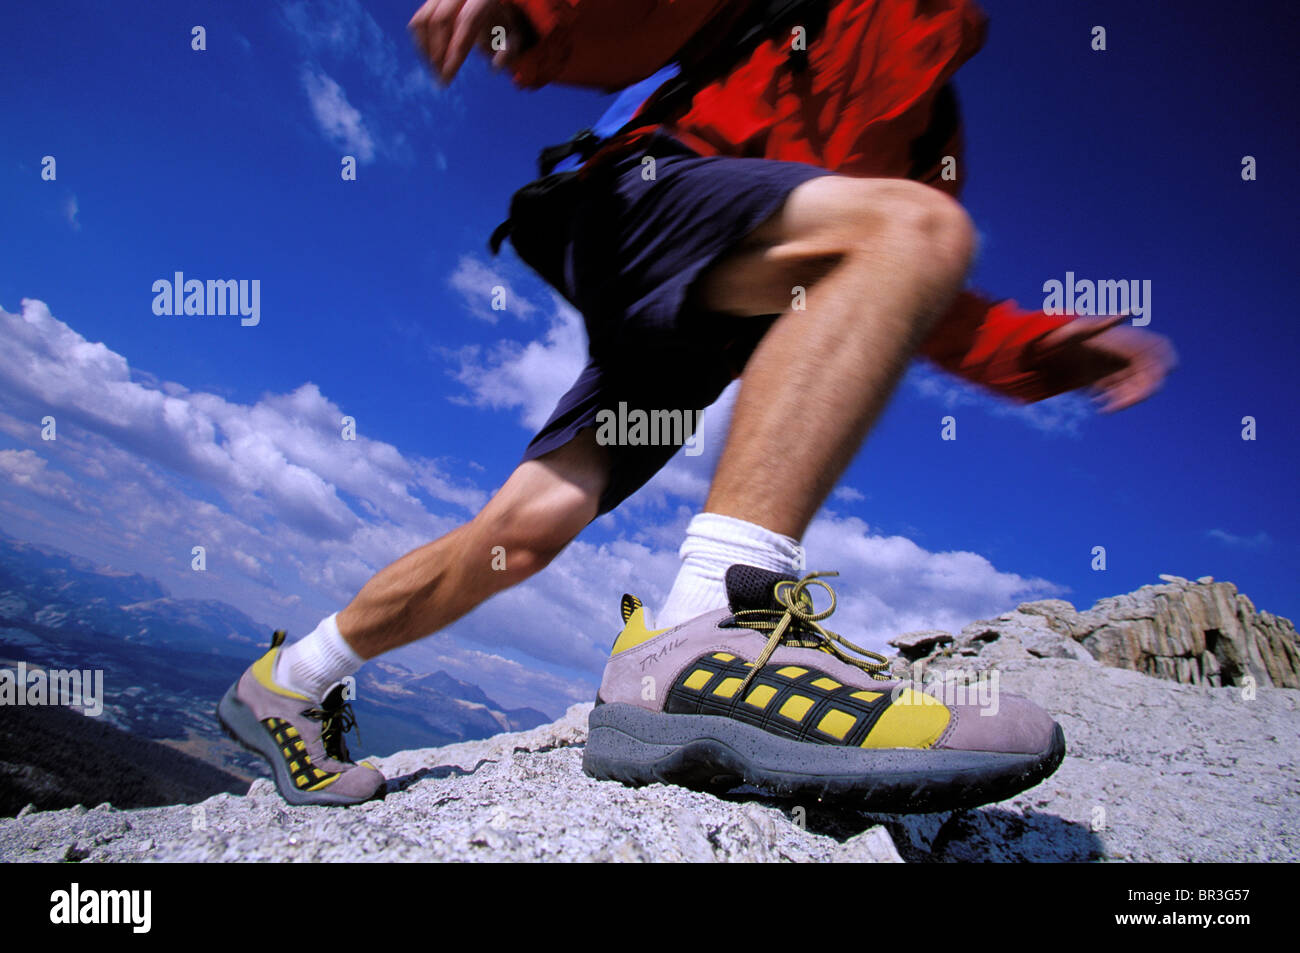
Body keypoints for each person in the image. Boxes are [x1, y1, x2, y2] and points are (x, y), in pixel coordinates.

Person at [217, 0, 1174, 809]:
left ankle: (289, 679)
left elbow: (913, 299)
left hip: (705, 320)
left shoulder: (932, 126)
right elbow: (639, 21)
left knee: (528, 526)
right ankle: (721, 615)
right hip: (644, 204)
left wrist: (1040, 350)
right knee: (913, 229)